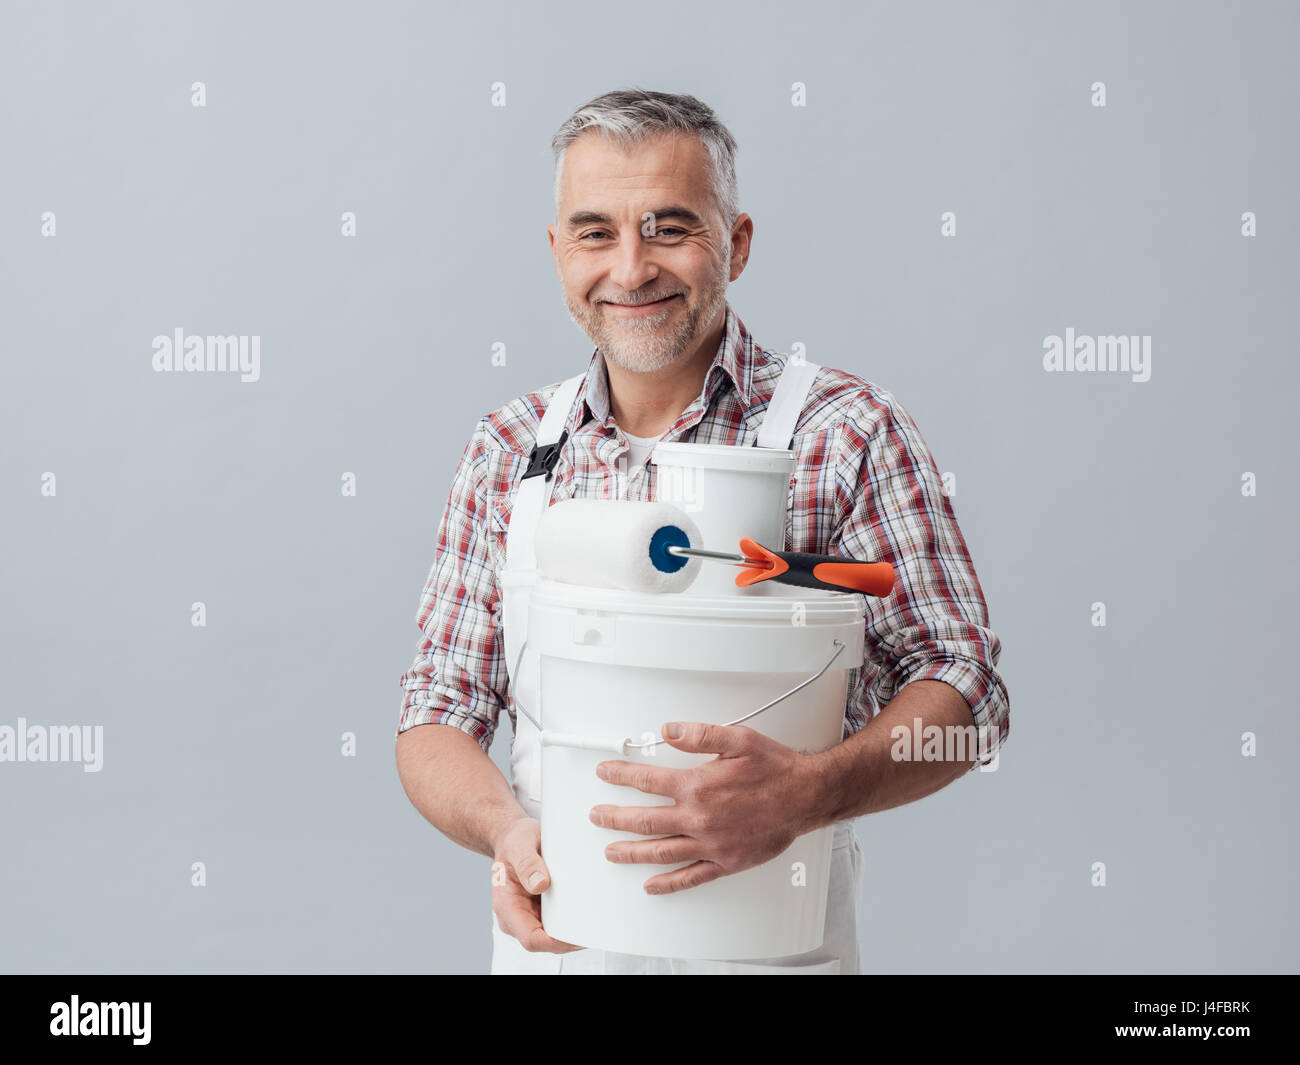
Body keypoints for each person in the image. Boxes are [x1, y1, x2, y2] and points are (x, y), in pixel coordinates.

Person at [395, 88, 1010, 974]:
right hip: (561, 950)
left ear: (739, 242)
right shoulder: (508, 452)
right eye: (596, 231)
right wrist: (505, 832)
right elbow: (435, 715)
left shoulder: (843, 434)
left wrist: (809, 791)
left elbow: (967, 689)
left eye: (670, 226)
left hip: (771, 950)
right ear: (558, 251)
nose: (632, 267)